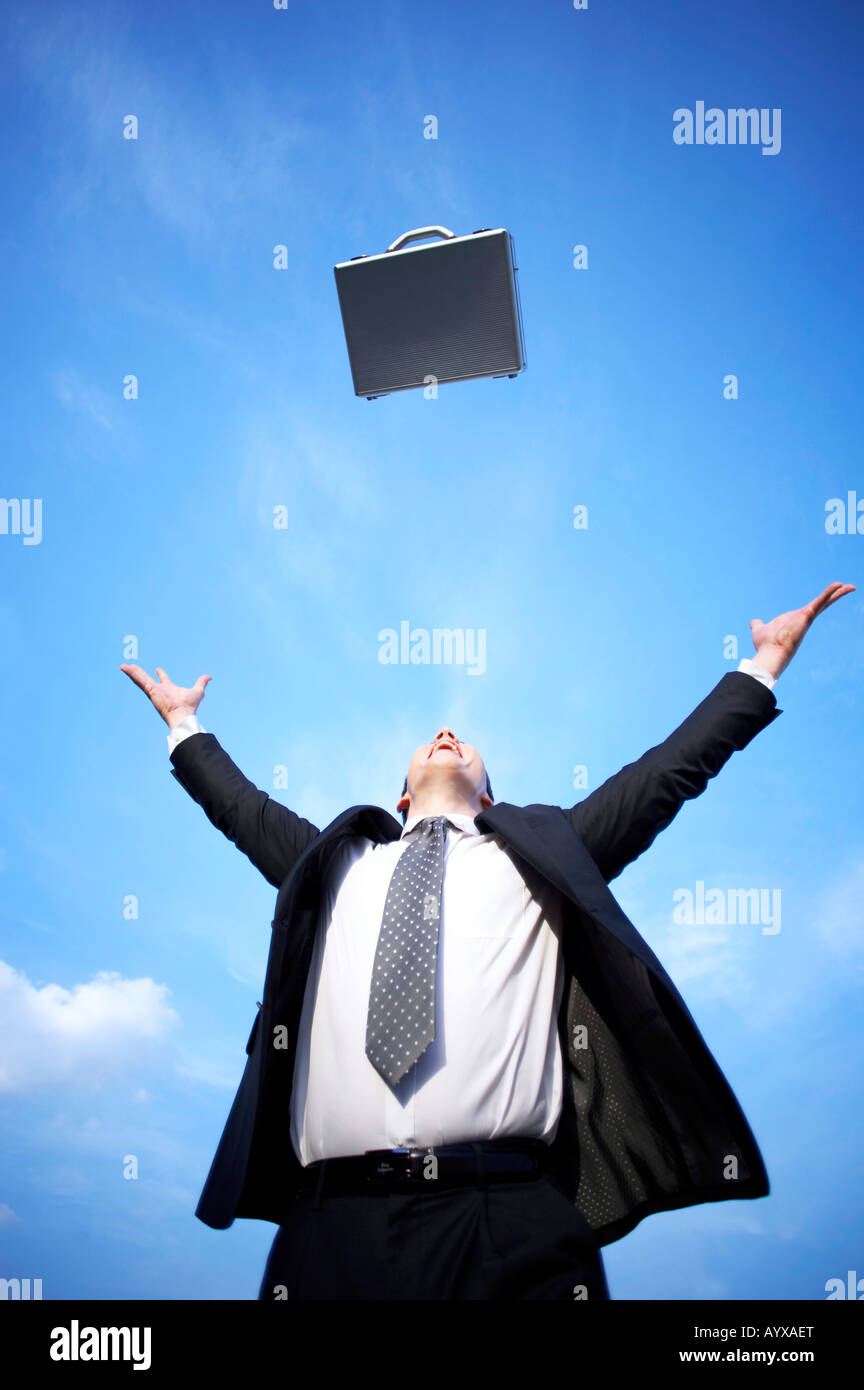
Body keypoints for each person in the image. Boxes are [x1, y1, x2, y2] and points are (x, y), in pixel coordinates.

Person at [121, 581, 854, 1301]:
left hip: (507, 1219)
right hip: (329, 1227)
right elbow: (241, 809)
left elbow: (665, 772)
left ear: (491, 797)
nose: (446, 736)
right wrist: (184, 724)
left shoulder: (539, 857)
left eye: (464, 744)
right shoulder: (334, 865)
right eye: (432, 740)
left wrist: (762, 666)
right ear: (401, 794)